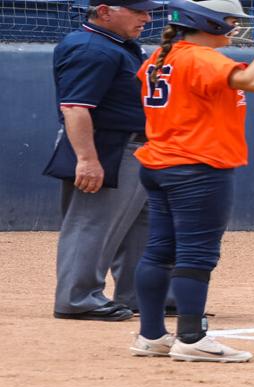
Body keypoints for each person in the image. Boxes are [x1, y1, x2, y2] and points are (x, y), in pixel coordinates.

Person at [127, 0, 254, 362]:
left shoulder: (162, 57)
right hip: (197, 166)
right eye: (230, 21)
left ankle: (151, 336)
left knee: (159, 251)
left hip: (161, 164)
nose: (234, 27)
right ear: (207, 22)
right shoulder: (199, 57)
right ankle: (191, 339)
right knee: (196, 254)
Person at [45, 0, 164, 322]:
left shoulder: (117, 44)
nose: (147, 18)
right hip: (106, 146)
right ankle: (77, 298)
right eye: (138, 11)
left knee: (142, 224)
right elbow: (75, 107)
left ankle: (140, 294)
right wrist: (87, 159)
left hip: (131, 147)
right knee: (92, 222)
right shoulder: (90, 48)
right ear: (104, 11)